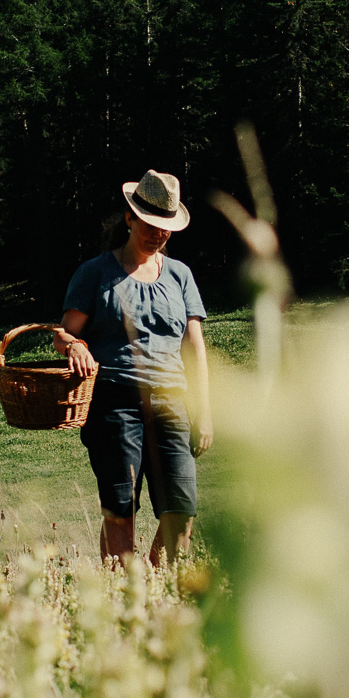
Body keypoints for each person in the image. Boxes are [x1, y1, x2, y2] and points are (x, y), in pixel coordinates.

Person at [58, 169, 212, 567]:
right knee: (121, 510)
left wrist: (205, 412)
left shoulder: (180, 276)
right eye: (151, 225)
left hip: (172, 403)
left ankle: (159, 586)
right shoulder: (95, 273)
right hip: (114, 403)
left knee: (181, 510)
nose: (159, 234)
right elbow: (63, 334)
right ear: (129, 219)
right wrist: (74, 345)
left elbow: (194, 348)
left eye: (166, 228)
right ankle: (122, 596)